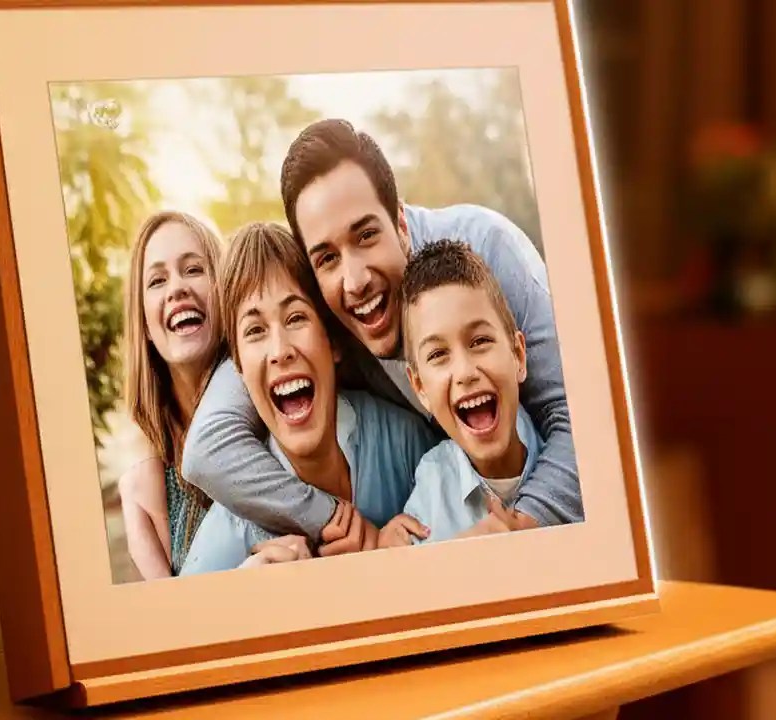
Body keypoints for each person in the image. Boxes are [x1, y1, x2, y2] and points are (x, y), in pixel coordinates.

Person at [182, 119, 582, 550]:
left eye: (367, 235)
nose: (354, 281)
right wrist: (335, 520)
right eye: (327, 257)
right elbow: (208, 448)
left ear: (402, 223)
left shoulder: (486, 256)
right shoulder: (322, 312)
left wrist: (524, 527)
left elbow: (581, 414)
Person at [180, 222, 437, 575]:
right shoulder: (232, 528)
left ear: (332, 340)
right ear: (238, 368)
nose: (279, 351)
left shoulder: (409, 446)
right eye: (255, 331)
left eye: (296, 317)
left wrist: (404, 554)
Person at [378, 240, 543, 548]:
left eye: (479, 341)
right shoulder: (431, 487)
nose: (466, 372)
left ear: (518, 356)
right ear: (420, 389)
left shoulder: (565, 460)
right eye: (438, 354)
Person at [117, 211, 225, 580]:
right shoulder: (142, 486)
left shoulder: (276, 417)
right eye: (157, 280)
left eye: (194, 269)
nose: (177, 288)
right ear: (145, 325)